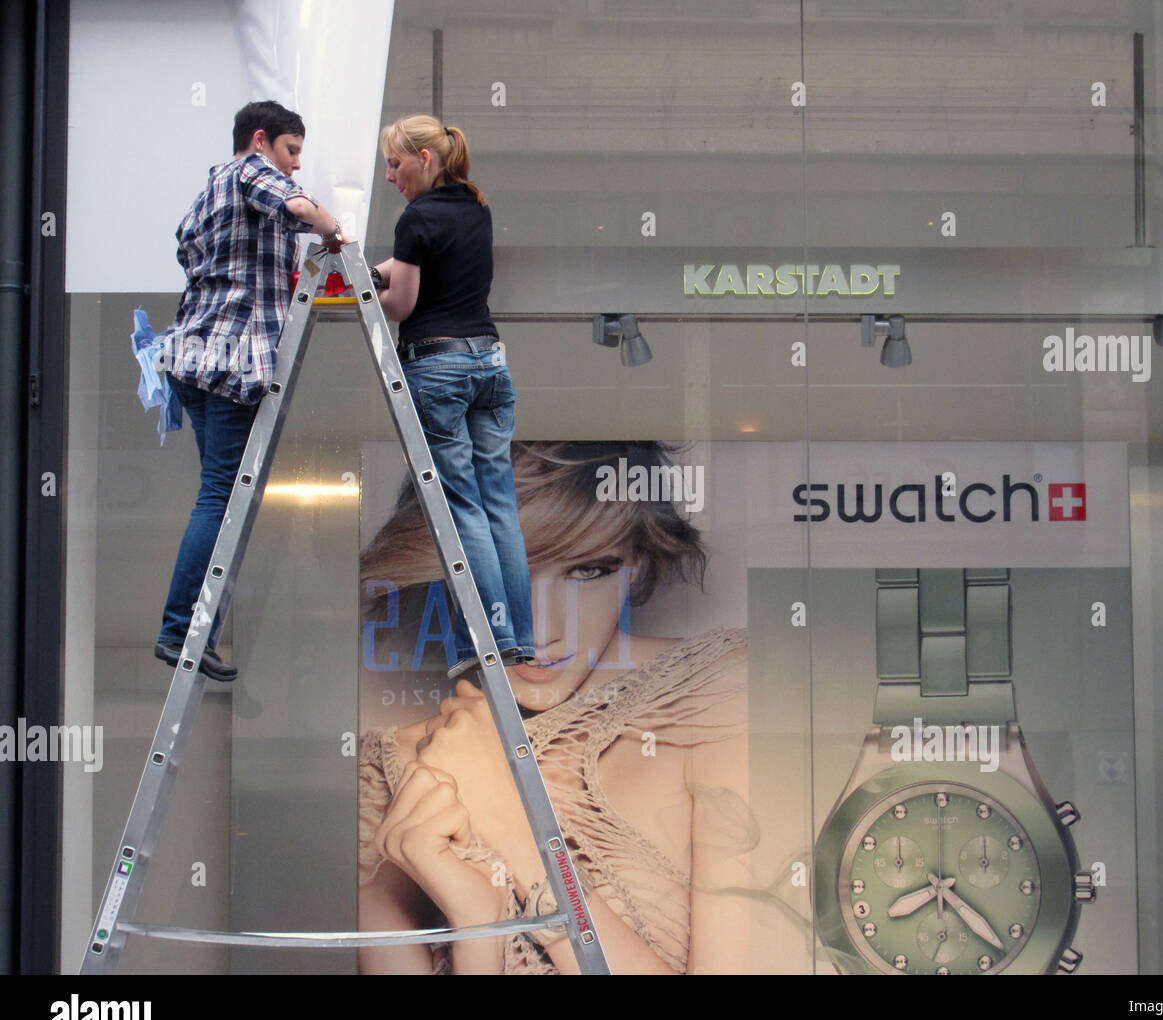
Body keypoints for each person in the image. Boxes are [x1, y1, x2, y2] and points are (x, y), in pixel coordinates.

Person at [357, 442, 751, 974]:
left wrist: (517, 826)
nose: (541, 631)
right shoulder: (394, 767)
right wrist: (479, 925)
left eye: (587, 571)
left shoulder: (713, 698)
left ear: (637, 559)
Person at [154, 101, 347, 682]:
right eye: (291, 152)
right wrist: (332, 227)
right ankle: (182, 630)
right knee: (222, 498)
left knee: (217, 496)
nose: (293, 167)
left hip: (192, 355)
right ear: (260, 140)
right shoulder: (251, 172)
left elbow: (190, 253)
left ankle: (192, 631)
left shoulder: (207, 190)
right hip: (234, 360)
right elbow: (293, 205)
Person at [368, 114, 532, 679]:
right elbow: (425, 264)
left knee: (462, 506)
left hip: (437, 365)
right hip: (489, 362)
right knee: (498, 506)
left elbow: (403, 305)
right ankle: (520, 635)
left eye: (395, 163)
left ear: (425, 160)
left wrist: (371, 291)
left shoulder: (415, 218)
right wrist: (384, 269)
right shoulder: (475, 206)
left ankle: (489, 636)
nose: (391, 176)